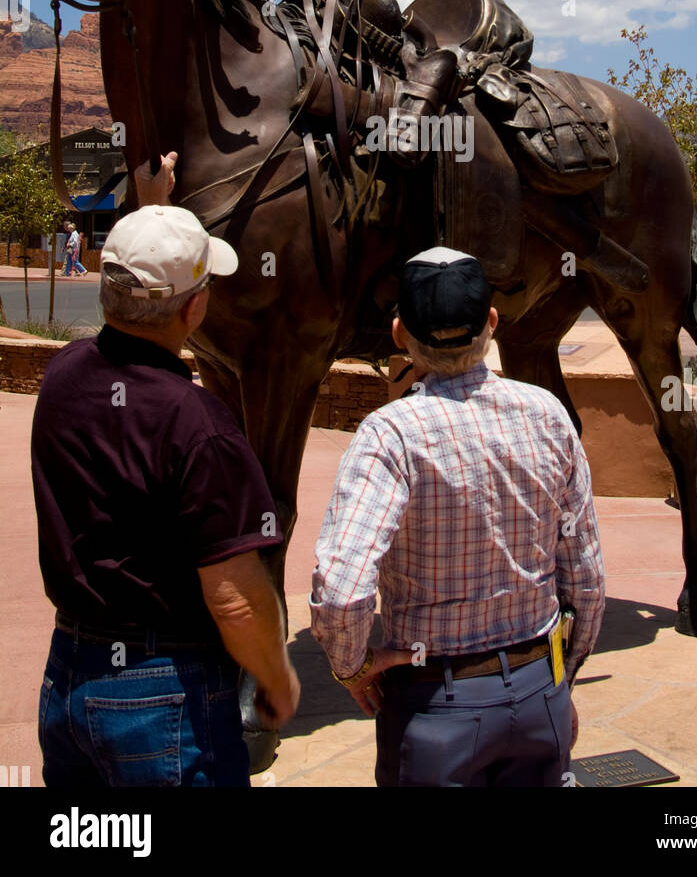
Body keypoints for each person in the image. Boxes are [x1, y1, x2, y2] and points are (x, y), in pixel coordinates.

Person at [32, 153, 300, 787]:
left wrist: (147, 210)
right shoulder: (200, 428)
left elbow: (132, 288)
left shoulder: (61, 377)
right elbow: (235, 598)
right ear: (196, 309)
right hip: (163, 699)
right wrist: (276, 679)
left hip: (69, 670)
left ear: (105, 283)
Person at [310, 247, 605, 787]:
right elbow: (585, 575)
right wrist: (562, 677)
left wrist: (350, 664)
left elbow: (342, 590)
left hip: (434, 709)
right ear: (492, 323)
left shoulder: (390, 435)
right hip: (540, 691)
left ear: (399, 334)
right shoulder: (548, 415)